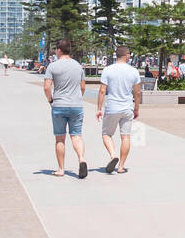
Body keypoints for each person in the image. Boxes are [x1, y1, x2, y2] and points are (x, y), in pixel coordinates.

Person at [43, 38, 88, 178]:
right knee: (76, 135)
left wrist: (51, 99)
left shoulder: (53, 66)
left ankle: (61, 169)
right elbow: (82, 87)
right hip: (76, 105)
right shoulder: (78, 66)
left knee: (60, 139)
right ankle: (81, 159)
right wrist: (77, 97)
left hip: (59, 105)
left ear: (58, 50)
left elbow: (46, 87)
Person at [97, 46, 141, 174]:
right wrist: (136, 108)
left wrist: (99, 108)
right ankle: (121, 166)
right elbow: (137, 93)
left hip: (112, 107)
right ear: (126, 55)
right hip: (127, 108)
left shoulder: (108, 70)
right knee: (125, 137)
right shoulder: (133, 71)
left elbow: (102, 90)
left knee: (106, 134)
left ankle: (113, 155)